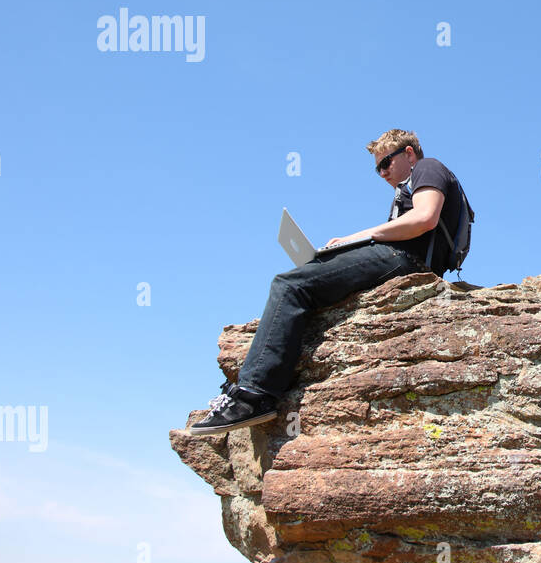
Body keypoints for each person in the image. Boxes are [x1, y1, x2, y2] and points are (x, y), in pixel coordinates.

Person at [189, 129, 466, 436]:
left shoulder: (428, 167)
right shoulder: (408, 184)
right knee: (309, 282)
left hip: (406, 260)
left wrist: (355, 238)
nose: (382, 172)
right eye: (378, 168)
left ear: (410, 154)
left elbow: (425, 217)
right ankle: (243, 380)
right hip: (407, 260)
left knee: (289, 285)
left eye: (386, 162)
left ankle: (254, 396)